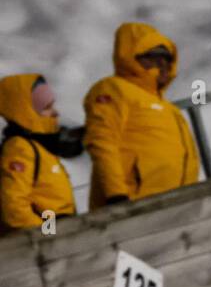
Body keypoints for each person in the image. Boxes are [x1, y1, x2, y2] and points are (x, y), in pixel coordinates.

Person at [83, 22, 199, 209]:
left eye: (167, 58)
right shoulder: (113, 89)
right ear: (131, 57)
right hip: (133, 205)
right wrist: (116, 195)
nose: (163, 64)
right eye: (153, 57)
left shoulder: (168, 108)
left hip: (175, 204)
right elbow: (102, 141)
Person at [0, 74, 79, 231]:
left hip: (62, 232)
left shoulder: (41, 145)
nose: (55, 113)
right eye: (46, 108)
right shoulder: (20, 148)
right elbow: (14, 207)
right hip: (47, 243)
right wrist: (49, 233)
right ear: (25, 111)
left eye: (52, 105)